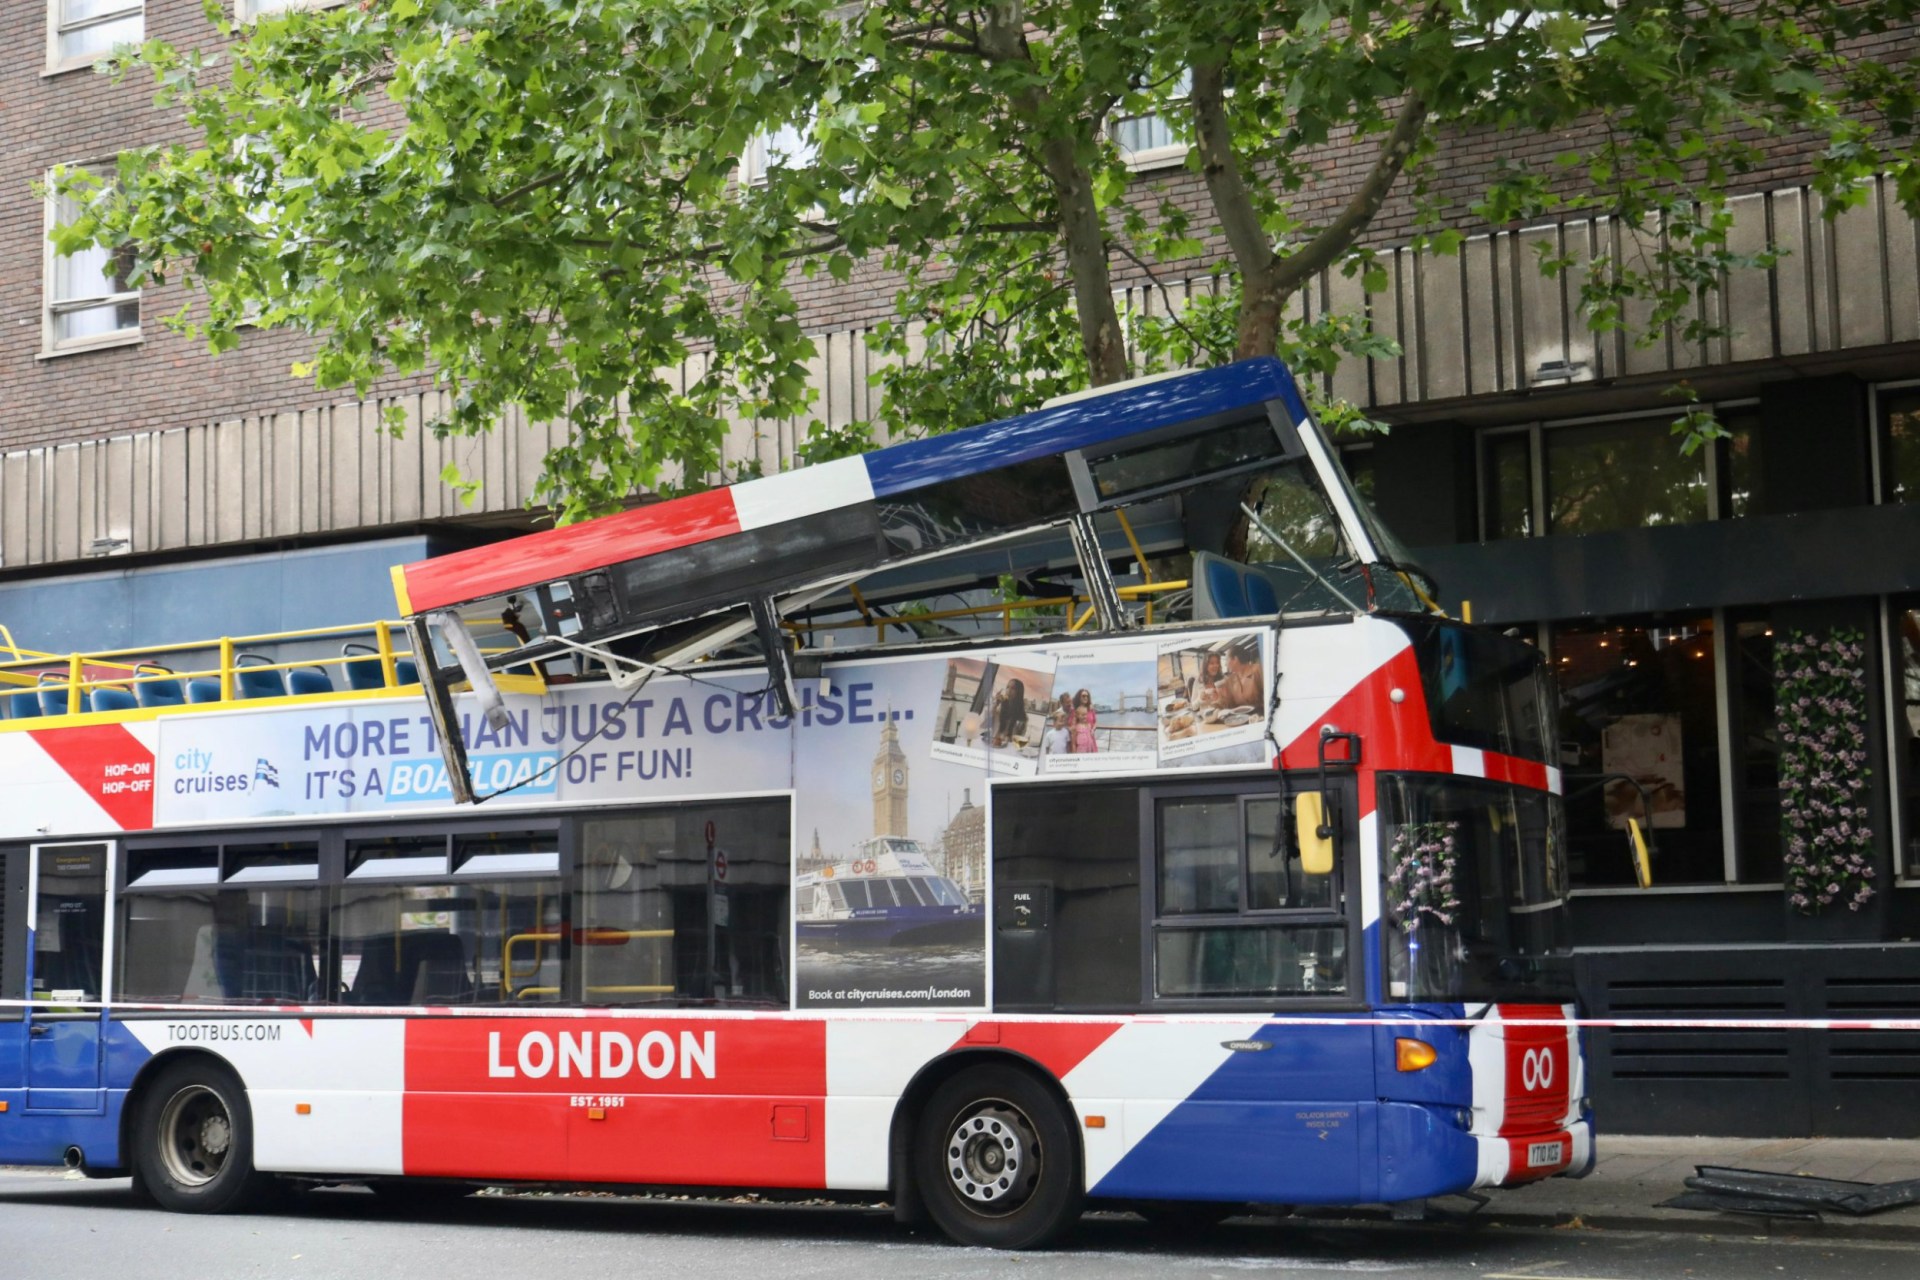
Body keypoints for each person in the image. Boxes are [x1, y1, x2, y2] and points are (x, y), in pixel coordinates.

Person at [1214, 636, 1264, 710]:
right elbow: (1229, 706)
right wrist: (1220, 696)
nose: (1225, 664)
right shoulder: (1231, 680)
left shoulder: (1258, 670)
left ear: (1235, 659)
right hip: (1241, 718)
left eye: (1226, 660)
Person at [993, 677, 1028, 746]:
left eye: (1013, 688)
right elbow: (983, 722)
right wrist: (996, 703)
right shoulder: (999, 711)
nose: (1009, 690)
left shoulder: (1022, 717)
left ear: (1019, 692)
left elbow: (1020, 740)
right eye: (1008, 687)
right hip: (994, 745)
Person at [1069, 687, 1099, 754]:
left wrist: (1093, 730)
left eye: (1087, 696)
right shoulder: (1074, 710)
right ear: (1079, 697)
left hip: (1091, 739)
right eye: (1083, 696)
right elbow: (1071, 726)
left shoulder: (1091, 709)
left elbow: (1095, 722)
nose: (1086, 697)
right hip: (1080, 743)